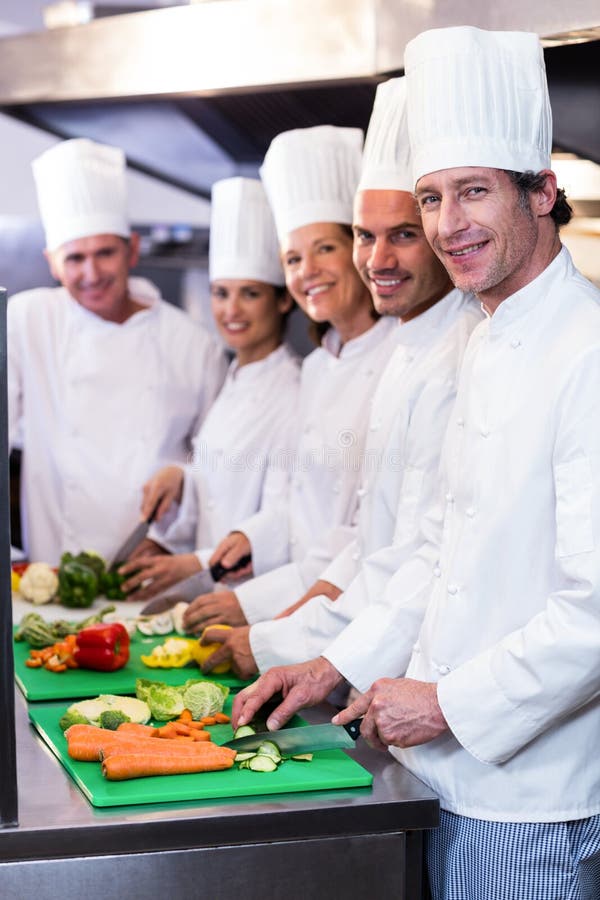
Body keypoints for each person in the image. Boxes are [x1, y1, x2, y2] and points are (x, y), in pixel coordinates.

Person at [232, 26, 600, 899]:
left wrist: (446, 704)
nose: (447, 226)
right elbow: (438, 549)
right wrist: (337, 664)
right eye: (432, 199)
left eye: (472, 192)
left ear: (542, 192)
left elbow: (596, 609)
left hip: (531, 803)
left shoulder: (587, 346)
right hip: (443, 778)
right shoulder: (483, 336)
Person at [199, 77, 482, 679]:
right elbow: (371, 542)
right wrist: (281, 631)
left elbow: (417, 559)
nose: (377, 259)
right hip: (352, 650)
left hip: (410, 674)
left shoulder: (461, 355)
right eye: (363, 236)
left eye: (404, 233)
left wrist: (287, 639)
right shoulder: (397, 352)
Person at [182, 125, 399, 631]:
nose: (308, 272)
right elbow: (297, 501)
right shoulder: (321, 366)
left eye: (324, 248)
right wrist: (252, 538)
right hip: (299, 615)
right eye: (293, 258)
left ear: (361, 248)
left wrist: (256, 608)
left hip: (350, 618)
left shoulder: (397, 357)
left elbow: (366, 530)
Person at [7, 137, 227, 565]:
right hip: (53, 570)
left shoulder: (192, 344)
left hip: (156, 567)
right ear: (52, 262)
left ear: (132, 249)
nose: (92, 273)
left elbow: (222, 464)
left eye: (105, 252)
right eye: (75, 259)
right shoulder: (28, 320)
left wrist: (173, 538)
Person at [117, 177, 300, 600]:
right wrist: (180, 478)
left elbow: (283, 522)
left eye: (249, 294)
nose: (230, 310)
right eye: (220, 293)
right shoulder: (234, 378)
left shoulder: (293, 393)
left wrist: (196, 564)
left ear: (283, 300)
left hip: (250, 601)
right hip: (209, 596)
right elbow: (221, 481)